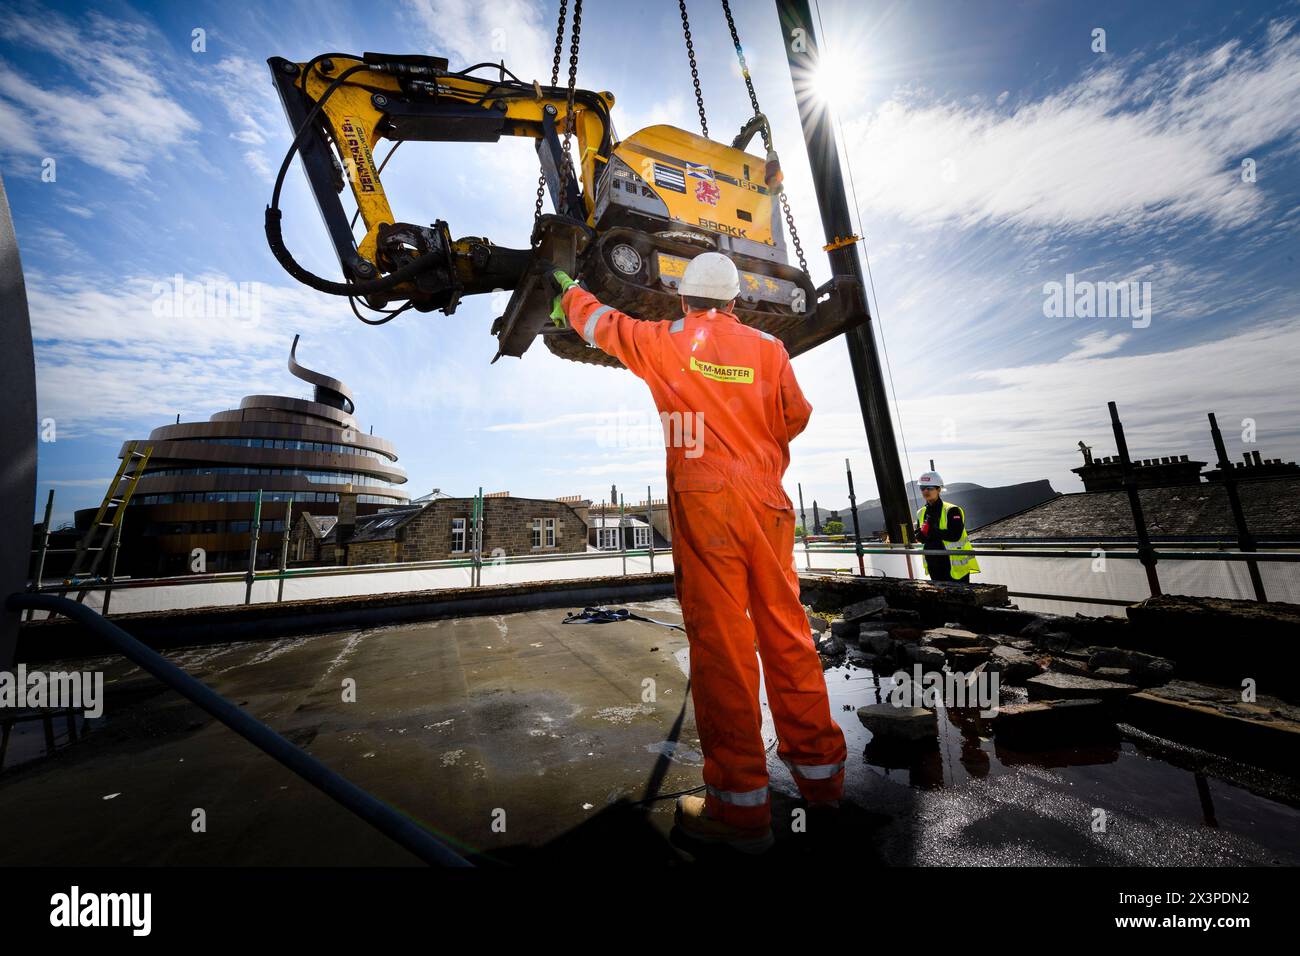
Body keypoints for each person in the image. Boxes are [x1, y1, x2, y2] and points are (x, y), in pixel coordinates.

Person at [548, 252, 847, 853]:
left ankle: (740, 813)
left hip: (706, 497)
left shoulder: (667, 341)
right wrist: (752, 442)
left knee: (724, 647)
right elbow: (795, 416)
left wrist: (568, 292)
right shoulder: (769, 348)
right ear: (734, 302)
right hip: (767, 500)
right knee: (787, 631)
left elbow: (602, 325)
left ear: (685, 299)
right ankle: (823, 781)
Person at [914, 471, 980, 582]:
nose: (925, 491)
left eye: (929, 488)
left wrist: (932, 532)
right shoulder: (921, 512)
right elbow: (921, 538)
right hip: (933, 563)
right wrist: (920, 535)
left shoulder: (952, 510)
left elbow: (955, 536)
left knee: (960, 597)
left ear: (938, 489)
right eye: (922, 488)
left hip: (953, 565)